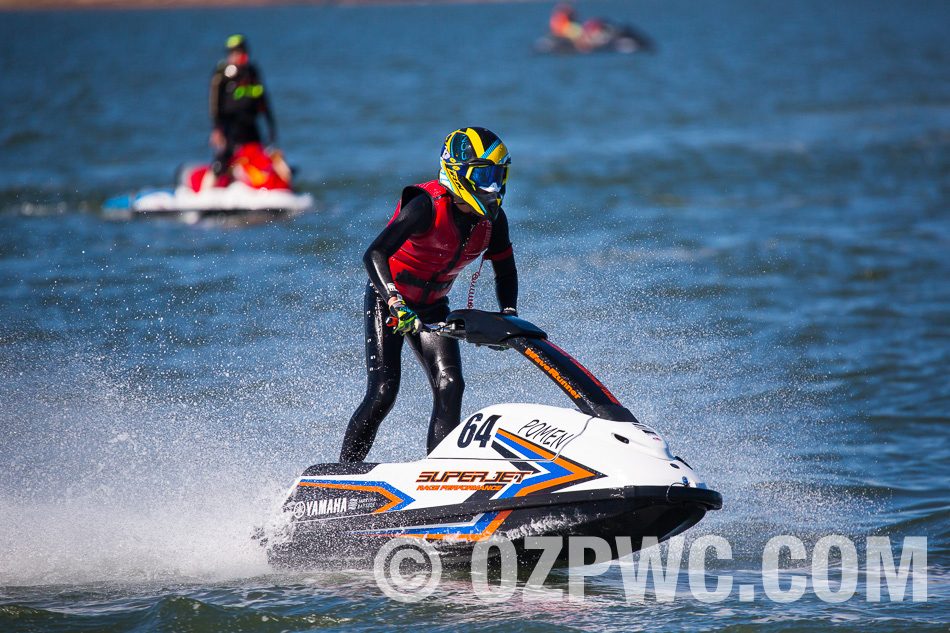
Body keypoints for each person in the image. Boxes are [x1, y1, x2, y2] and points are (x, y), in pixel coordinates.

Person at [340, 127, 519, 463]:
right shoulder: (425, 205)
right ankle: (340, 474)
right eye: (484, 175)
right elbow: (374, 254)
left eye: (498, 175)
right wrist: (394, 300)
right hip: (390, 301)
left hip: (434, 306)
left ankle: (438, 475)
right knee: (383, 393)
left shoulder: (493, 221)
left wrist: (508, 313)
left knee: (451, 384)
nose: (493, 187)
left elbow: (505, 270)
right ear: (458, 172)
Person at [208, 34, 276, 181]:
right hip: (229, 125)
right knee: (223, 158)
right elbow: (214, 102)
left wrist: (271, 126)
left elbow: (264, 100)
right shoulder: (222, 74)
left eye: (242, 52)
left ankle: (264, 180)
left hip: (250, 124)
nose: (239, 56)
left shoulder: (252, 72)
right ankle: (212, 182)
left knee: (260, 154)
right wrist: (217, 129)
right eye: (235, 53)